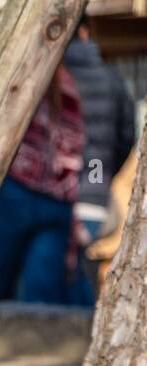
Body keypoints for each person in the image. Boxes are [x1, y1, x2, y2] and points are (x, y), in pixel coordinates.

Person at [0, 66, 85, 304]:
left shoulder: (18, 68)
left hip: (15, 189)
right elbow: (76, 144)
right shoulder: (69, 83)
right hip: (58, 200)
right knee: (43, 301)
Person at [63, 17, 136, 298]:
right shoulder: (112, 81)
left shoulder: (51, 79)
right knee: (85, 272)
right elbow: (125, 139)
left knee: (55, 281)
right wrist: (103, 173)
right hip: (94, 200)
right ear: (85, 33)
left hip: (54, 198)